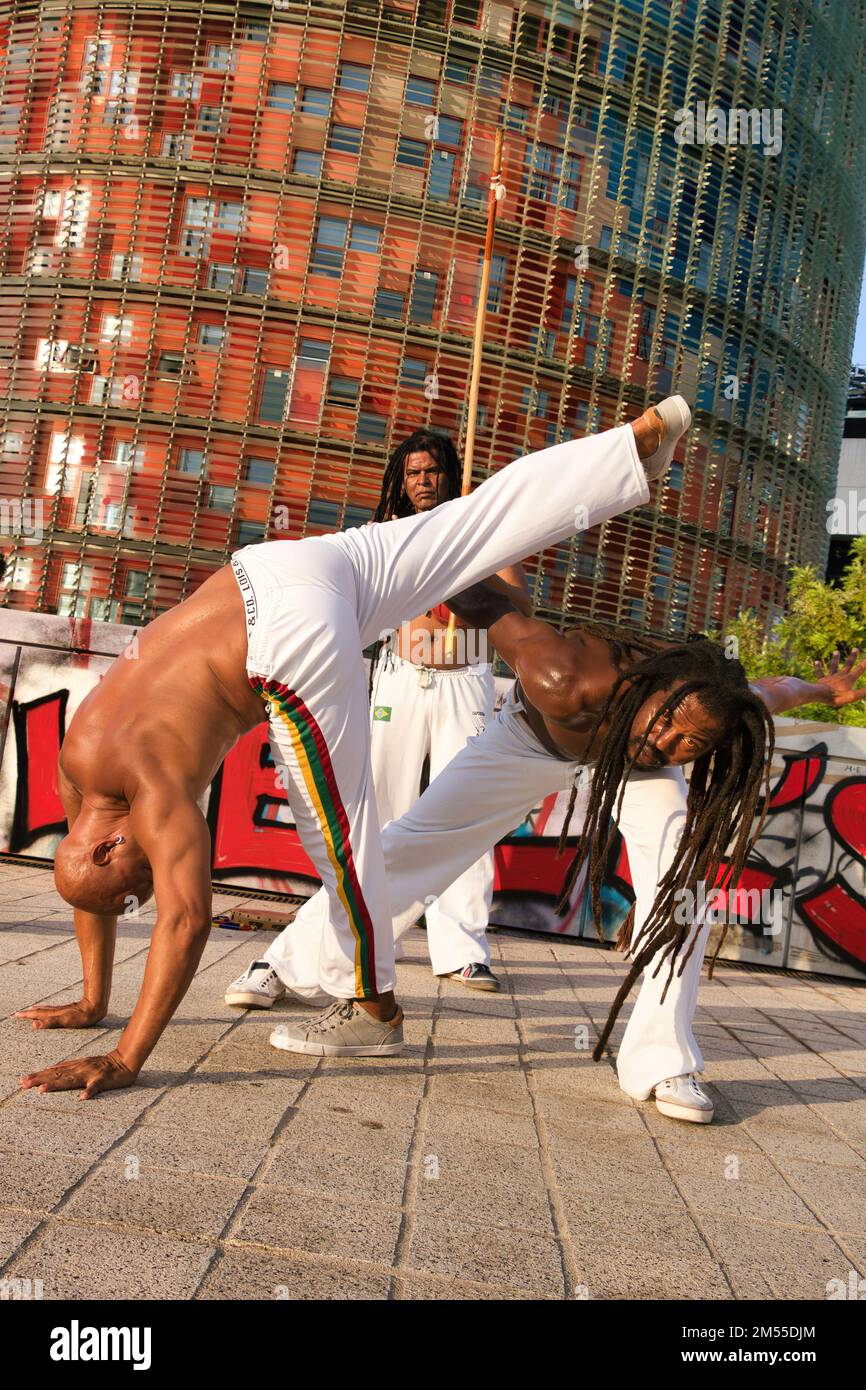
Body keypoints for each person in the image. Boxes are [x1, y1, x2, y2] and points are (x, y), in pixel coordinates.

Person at [15, 396, 689, 1097]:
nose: (148, 881)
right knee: (464, 527)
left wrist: (125, 1056)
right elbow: (91, 890)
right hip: (279, 567)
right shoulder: (78, 761)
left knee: (342, 841)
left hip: (285, 646)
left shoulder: (153, 797)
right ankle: (629, 449)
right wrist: (92, 1002)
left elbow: (187, 921)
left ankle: (376, 1009)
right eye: (141, 888)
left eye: (136, 878)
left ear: (104, 845)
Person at [254, 593, 866, 1121]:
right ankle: (291, 962)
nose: (668, 745)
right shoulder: (562, 675)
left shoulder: (714, 708)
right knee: (413, 844)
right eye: (669, 725)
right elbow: (486, 602)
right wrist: (440, 573)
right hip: (530, 740)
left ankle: (663, 1066)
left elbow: (773, 691)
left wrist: (825, 688)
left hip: (617, 770)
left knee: (684, 884)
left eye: (691, 746)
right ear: (660, 690)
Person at [225, 429, 530, 1011]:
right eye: (412, 473)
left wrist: (478, 567)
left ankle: (463, 947)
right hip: (398, 677)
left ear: (450, 473)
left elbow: (526, 606)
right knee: (378, 812)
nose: (423, 481)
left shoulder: (480, 528)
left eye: (433, 471)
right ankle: (346, 939)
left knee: (463, 813)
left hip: (464, 678)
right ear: (400, 479)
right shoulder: (381, 536)